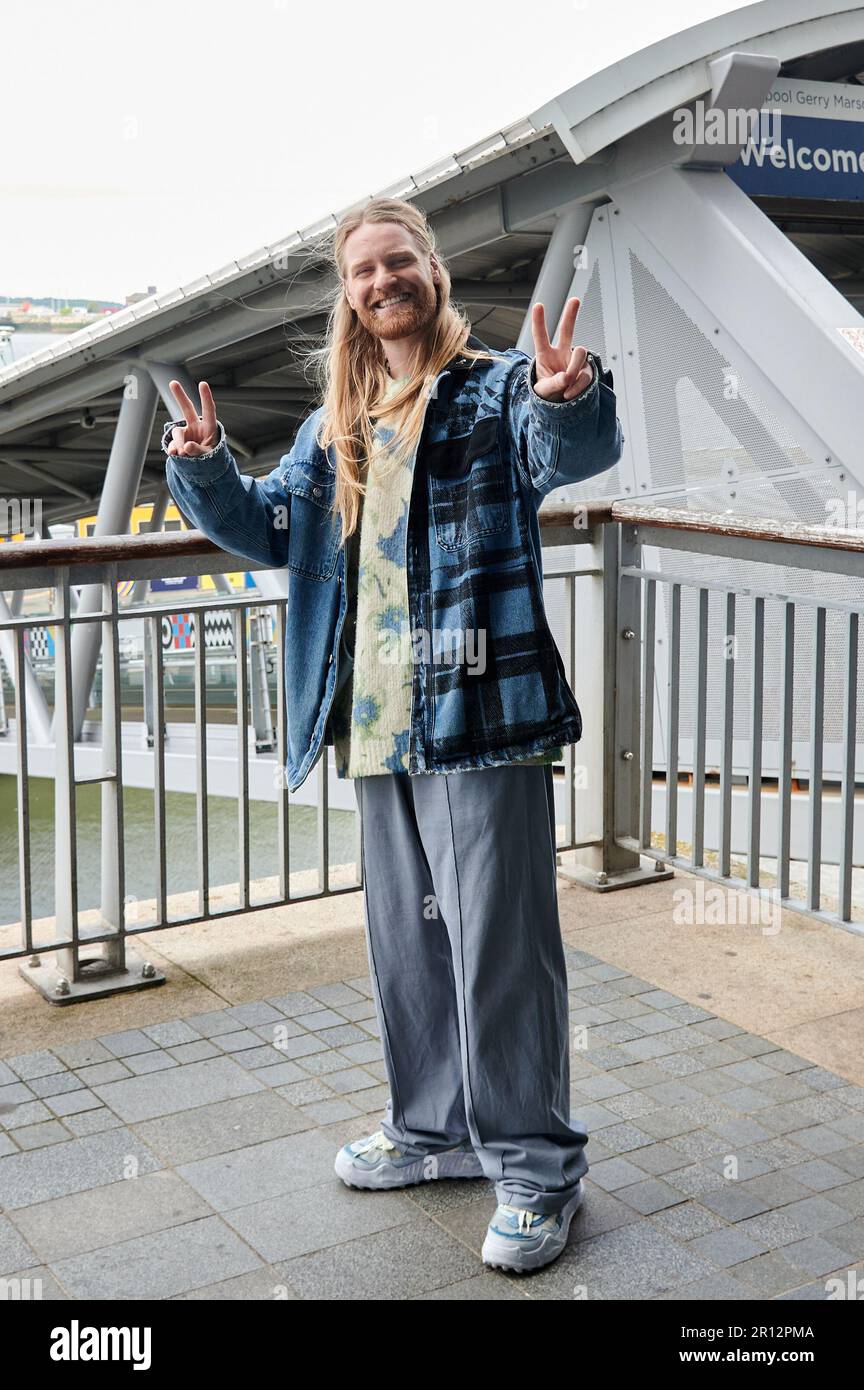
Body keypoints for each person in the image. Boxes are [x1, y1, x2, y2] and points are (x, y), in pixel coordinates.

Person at [162, 196, 624, 1275]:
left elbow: (568, 446)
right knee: (410, 949)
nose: (383, 281)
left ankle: (537, 1166)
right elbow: (269, 528)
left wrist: (574, 395)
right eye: (363, 269)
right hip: (374, 729)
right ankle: (433, 1133)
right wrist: (204, 464)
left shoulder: (500, 387)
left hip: (481, 717)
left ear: (433, 268)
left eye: (398, 259)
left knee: (500, 951)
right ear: (351, 293)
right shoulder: (339, 428)